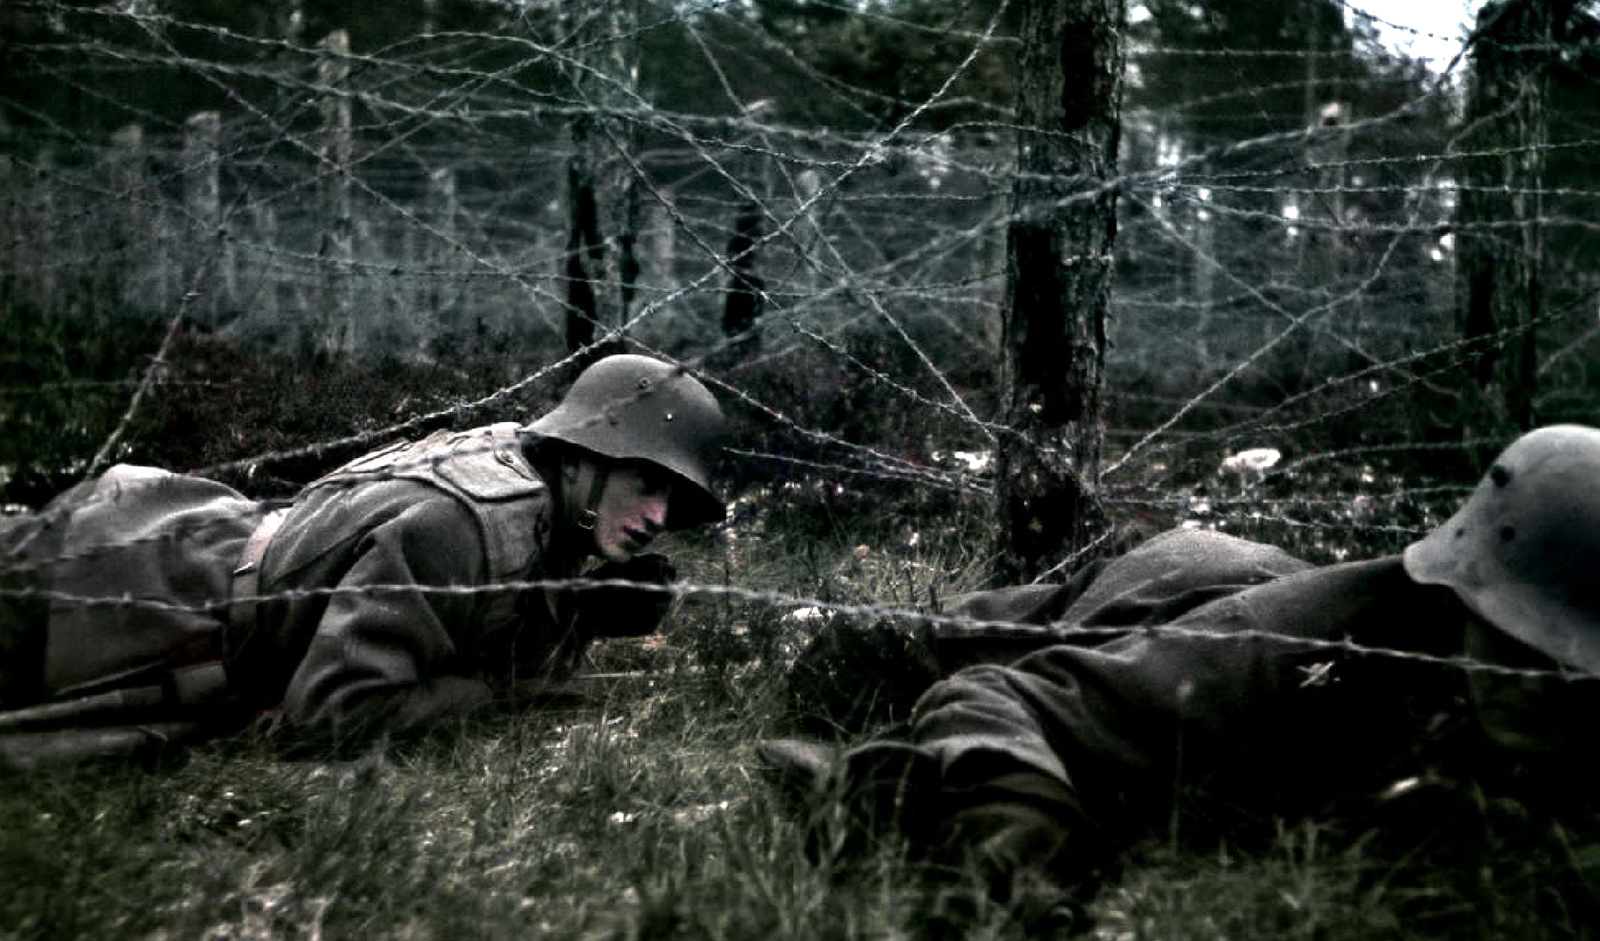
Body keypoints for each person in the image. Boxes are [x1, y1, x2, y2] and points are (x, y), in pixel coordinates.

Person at [763, 424, 1600, 907]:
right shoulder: (1288, 649)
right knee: (969, 672)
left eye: (1572, 667)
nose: (1542, 686)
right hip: (1181, 590)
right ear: (1458, 593)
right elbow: (1010, 694)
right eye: (1516, 643)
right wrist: (1019, 815)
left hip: (1249, 592)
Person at [0, 353, 726, 769]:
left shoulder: (525, 474)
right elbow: (330, 715)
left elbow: (482, 608)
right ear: (584, 456)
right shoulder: (464, 525)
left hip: (178, 550)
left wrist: (572, 613)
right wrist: (506, 688)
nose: (658, 518)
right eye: (647, 482)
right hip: (136, 594)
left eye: (674, 498)